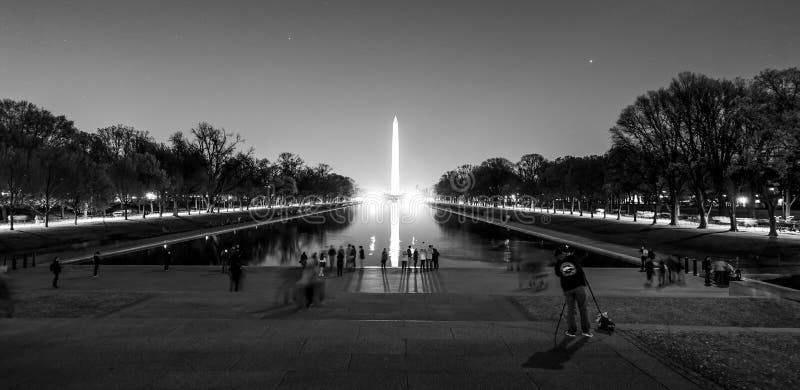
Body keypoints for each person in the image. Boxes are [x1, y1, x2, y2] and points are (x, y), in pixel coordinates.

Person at [554, 250, 592, 338]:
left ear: (558, 256)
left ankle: (572, 331)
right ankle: (586, 330)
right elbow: (584, 254)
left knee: (571, 310)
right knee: (583, 308)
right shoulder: (573, 258)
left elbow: (559, 273)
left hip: (568, 289)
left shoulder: (558, 264)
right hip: (578, 287)